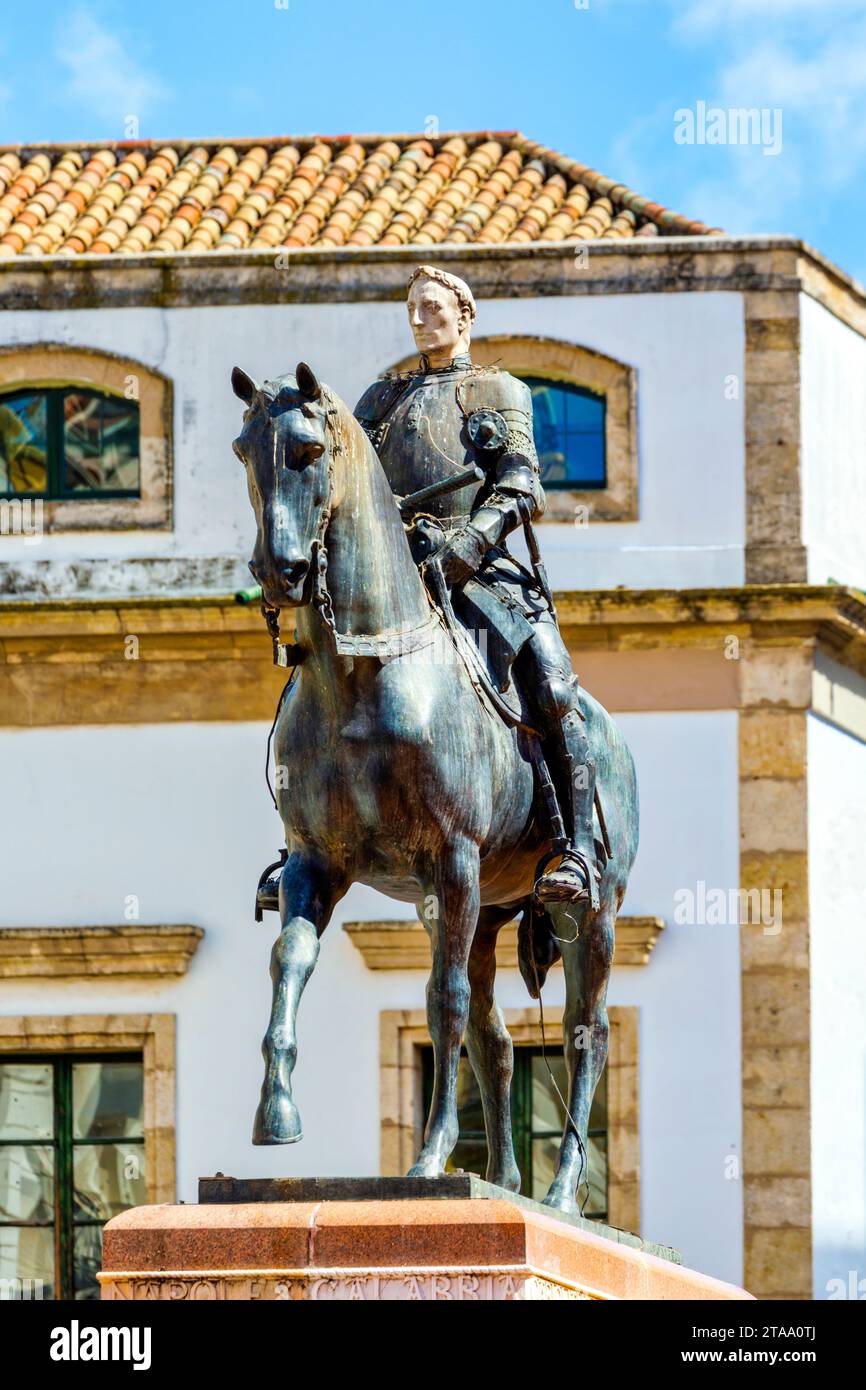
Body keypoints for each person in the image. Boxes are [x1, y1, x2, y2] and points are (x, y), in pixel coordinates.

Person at [354, 264, 599, 906]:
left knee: (551, 680)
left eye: (432, 307)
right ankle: (304, 834)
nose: (418, 319)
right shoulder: (379, 402)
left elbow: (522, 484)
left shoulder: (500, 391)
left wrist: (471, 541)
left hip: (479, 572)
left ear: (463, 314)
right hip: (397, 575)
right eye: (411, 307)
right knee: (318, 665)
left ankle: (575, 848)